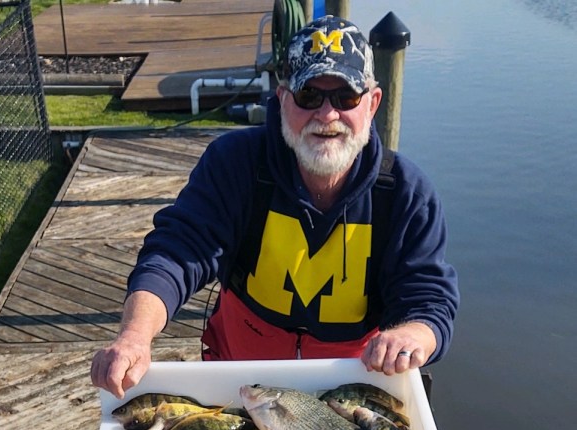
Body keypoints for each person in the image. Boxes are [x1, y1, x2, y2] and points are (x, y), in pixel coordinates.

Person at [91, 15, 459, 398]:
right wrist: (134, 336)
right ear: (283, 100)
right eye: (309, 96)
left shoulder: (406, 193)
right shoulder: (236, 163)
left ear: (372, 103)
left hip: (349, 394)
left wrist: (413, 334)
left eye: (345, 97)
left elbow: (428, 296)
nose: (328, 114)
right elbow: (179, 250)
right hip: (240, 383)